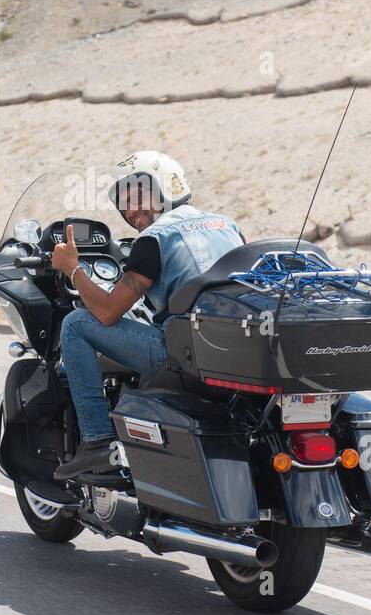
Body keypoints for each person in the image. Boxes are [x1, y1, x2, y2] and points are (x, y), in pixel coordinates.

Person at [51, 151, 245, 479]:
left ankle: (98, 442)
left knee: (75, 325)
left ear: (168, 186)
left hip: (186, 358)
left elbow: (108, 312)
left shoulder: (154, 240)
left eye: (138, 194)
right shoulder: (227, 225)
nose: (131, 208)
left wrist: (73, 270)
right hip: (235, 352)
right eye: (123, 201)